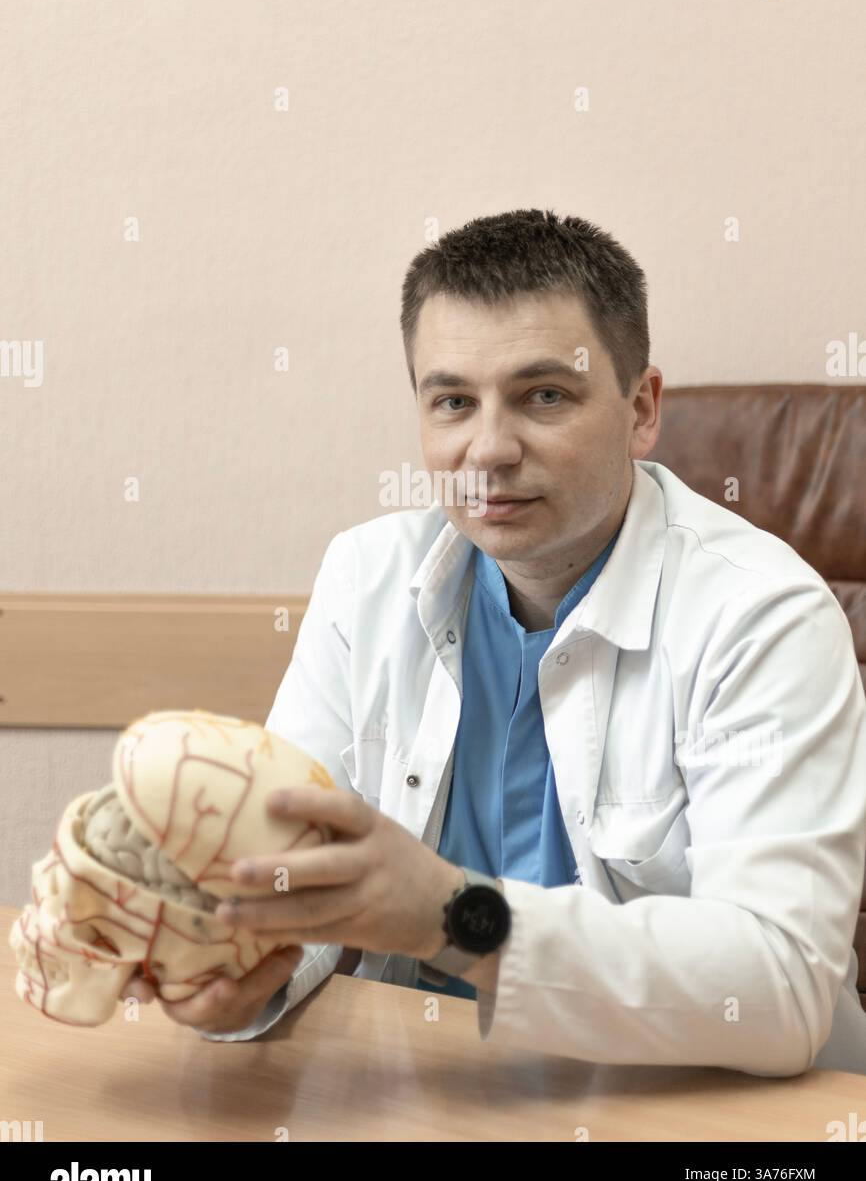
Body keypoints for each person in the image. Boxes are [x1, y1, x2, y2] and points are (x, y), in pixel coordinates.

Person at [123, 209, 866, 1076]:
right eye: (452, 402)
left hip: (696, 1114)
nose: (488, 449)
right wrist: (245, 971)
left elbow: (778, 990)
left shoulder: (762, 614)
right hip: (432, 1087)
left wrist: (449, 913)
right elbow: (294, 864)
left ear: (641, 409)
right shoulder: (365, 579)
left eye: (543, 395)